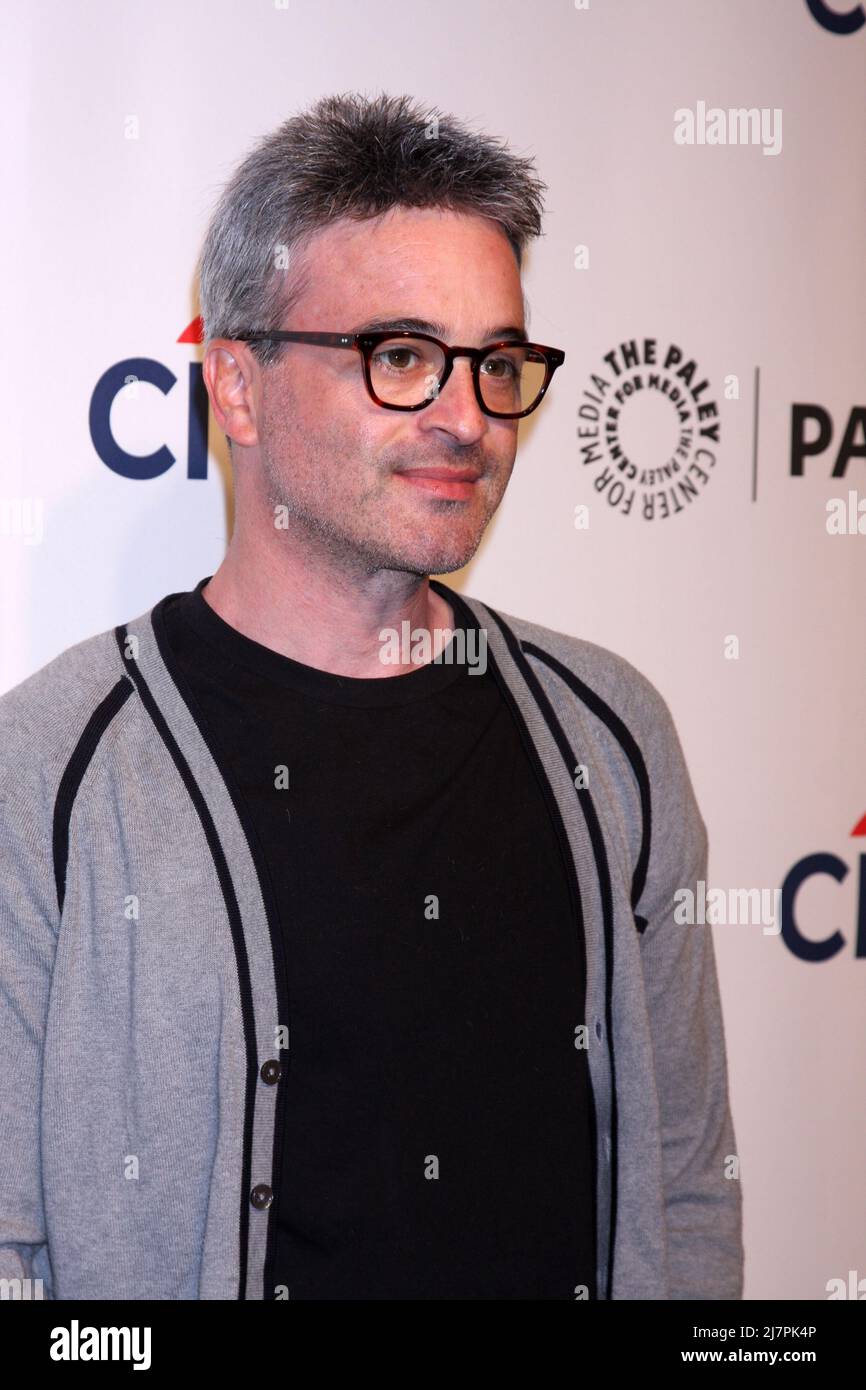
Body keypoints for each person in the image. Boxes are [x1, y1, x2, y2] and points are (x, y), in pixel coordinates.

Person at [0, 91, 743, 1300]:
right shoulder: (47, 771)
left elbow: (682, 1187)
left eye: (495, 362)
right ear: (235, 386)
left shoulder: (611, 736)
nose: (466, 418)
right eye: (400, 356)